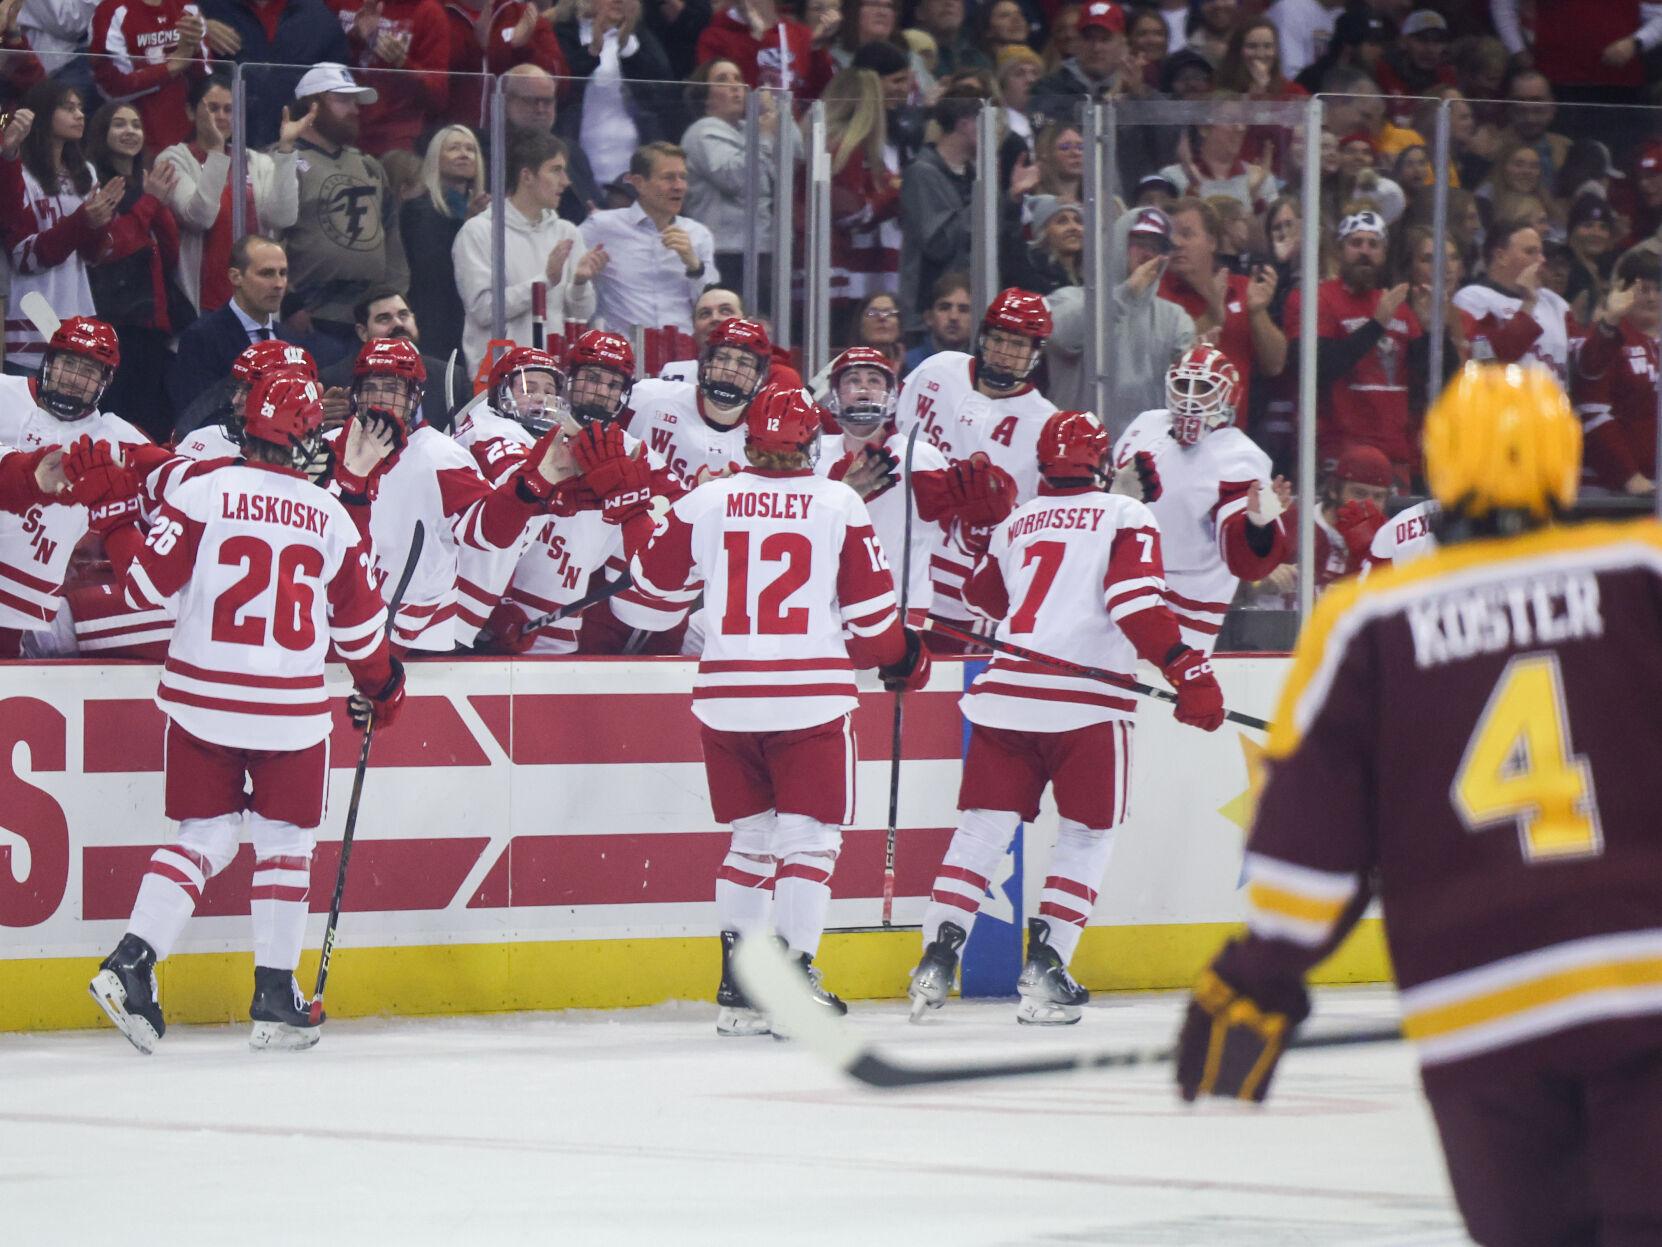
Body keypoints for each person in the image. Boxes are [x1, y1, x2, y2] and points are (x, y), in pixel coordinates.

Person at [1176, 361, 1662, 1244]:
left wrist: (1263, 972)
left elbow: (1308, 851)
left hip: (1478, 1006)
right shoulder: (1642, 569)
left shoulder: (1367, 622)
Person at [87, 372, 404, 1054]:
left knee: (201, 834)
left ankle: (133, 961)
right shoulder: (329, 516)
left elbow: (141, 586)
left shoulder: (203, 489)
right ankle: (273, 994)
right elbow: (362, 639)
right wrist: (385, 692)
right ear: (308, 436)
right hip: (288, 711)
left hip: (201, 699)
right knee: (285, 843)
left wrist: (112, 517)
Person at [628, 384, 932, 1037]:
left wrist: (638, 517)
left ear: (748, 441)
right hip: (808, 698)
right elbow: (876, 629)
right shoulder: (837, 501)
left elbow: (646, 596)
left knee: (751, 838)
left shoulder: (706, 500)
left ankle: (741, 989)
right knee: (810, 840)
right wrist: (907, 655)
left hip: (727, 698)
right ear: (813, 444)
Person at [908, 408, 1224, 1025]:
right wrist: (1186, 667)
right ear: (1103, 464)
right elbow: (1133, 602)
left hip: (1007, 698)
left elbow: (984, 599)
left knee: (981, 831)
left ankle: (936, 956)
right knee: (1085, 837)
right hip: (1086, 704)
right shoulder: (1128, 514)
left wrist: (986, 535)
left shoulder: (1019, 519)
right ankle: (1047, 967)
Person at [326, 337, 570, 651]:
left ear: (415, 396)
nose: (383, 399)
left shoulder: (441, 456)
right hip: (331, 622)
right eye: (374, 387)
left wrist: (527, 488)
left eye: (395, 389)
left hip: (410, 636)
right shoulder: (328, 446)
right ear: (357, 392)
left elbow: (489, 532)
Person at [461, 333, 690, 654]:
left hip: (560, 619)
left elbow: (678, 517)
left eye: (612, 386)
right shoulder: (510, 428)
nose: (601, 392)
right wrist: (494, 608)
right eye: (592, 379)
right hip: (478, 609)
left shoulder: (630, 449)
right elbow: (502, 508)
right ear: (571, 380)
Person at [1110, 345, 1289, 651]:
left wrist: (1256, 526)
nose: (1190, 397)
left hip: (1180, 616)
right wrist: (1113, 494)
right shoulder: (1146, 424)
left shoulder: (1239, 458)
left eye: (1204, 388)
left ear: (1228, 396)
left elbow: (1244, 564)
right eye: (1182, 385)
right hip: (1116, 593)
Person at [0, 317, 155, 656]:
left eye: (89, 372)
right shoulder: (3, 393)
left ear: (105, 382)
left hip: (40, 602)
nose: (73, 380)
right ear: (49, 362)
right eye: (68, 364)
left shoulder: (119, 441)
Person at [813, 346, 968, 625]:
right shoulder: (815, 455)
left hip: (899, 607)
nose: (864, 388)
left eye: (874, 380)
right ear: (836, 394)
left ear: (892, 394)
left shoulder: (919, 457)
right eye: (852, 381)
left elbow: (956, 532)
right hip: (824, 605)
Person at [280, 63, 410, 367]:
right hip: (313, 315)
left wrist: (395, 302)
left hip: (370, 316)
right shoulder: (282, 160)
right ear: (312, 106)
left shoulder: (369, 166)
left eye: (355, 102)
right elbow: (269, 236)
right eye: (343, 101)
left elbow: (392, 240)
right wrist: (289, 303)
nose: (354, 110)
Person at [1281, 208, 1424, 484]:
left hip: (1395, 457)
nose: (1365, 251)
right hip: (1338, 453)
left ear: (1384, 252)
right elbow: (1315, 368)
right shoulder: (1316, 298)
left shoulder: (1399, 306)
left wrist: (1430, 331)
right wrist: (1376, 325)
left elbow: (1425, 381)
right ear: (1339, 250)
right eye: (1355, 243)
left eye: (1373, 244)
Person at [452, 129, 603, 376]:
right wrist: (543, 283)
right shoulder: (479, 232)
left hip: (555, 375)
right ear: (527, 176)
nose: (565, 181)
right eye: (555, 170)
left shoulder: (567, 232)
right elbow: (484, 310)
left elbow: (581, 315)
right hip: (498, 378)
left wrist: (579, 283)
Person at [83, 101, 188, 443]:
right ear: (102, 133)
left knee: (154, 425)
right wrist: (151, 202)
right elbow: (112, 247)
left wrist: (153, 200)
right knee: (119, 421)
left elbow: (170, 252)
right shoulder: (93, 181)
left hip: (152, 327)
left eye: (136, 124)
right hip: (116, 324)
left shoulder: (146, 185)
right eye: (119, 124)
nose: (130, 131)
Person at [156, 72, 302, 315]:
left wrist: (286, 150)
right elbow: (200, 218)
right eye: (213, 108)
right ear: (191, 112)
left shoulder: (256, 161)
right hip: (202, 301)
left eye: (229, 109)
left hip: (256, 301)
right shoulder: (175, 159)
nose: (222, 117)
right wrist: (216, 152)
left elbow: (282, 218)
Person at [2, 80, 119, 372]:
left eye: (80, 108)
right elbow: (25, 257)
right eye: (68, 108)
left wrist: (98, 226)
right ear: (42, 113)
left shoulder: (85, 173)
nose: (80, 115)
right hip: (29, 317)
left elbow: (93, 256)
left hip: (77, 312)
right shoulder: (21, 172)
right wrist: (82, 221)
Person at [1158, 196, 1285, 429]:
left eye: (1186, 234)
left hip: (1232, 438)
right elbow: (1165, 362)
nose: (1175, 243)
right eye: (1170, 236)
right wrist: (1213, 315)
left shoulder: (1242, 287)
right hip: (1175, 437)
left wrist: (1257, 313)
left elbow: (1275, 364)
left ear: (1212, 241)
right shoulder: (1159, 294)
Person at [681, 59, 795, 312]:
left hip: (762, 246)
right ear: (705, 96)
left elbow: (796, 154)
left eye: (738, 79)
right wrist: (764, 137)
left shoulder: (750, 129)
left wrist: (778, 112)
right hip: (726, 251)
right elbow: (737, 180)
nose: (736, 86)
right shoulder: (703, 132)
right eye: (723, 80)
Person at [579, 141, 717, 335]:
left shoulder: (698, 234)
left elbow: (712, 307)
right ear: (639, 183)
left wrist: (694, 266)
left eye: (683, 177)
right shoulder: (601, 227)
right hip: (620, 355)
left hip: (680, 355)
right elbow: (569, 285)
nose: (679, 186)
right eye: (669, 178)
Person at [624, 315, 773, 484]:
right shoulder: (649, 398)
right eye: (722, 358)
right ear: (706, 362)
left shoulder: (769, 436)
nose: (730, 371)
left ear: (759, 375)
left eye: (744, 364)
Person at [166, 233, 288, 425]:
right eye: (267, 273)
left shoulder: (291, 339)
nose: (279, 284)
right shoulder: (202, 338)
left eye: (283, 273)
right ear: (235, 277)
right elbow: (195, 416)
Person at [195, 0, 351, 147]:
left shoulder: (319, 18)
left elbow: (337, 92)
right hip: (227, 147)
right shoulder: (209, 7)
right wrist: (200, 29)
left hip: (298, 149)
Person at [313, 290, 468, 435]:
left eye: (403, 315)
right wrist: (318, 426)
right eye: (384, 319)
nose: (398, 324)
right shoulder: (335, 379)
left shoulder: (451, 376)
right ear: (363, 332)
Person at [820, 65, 900, 337]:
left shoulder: (829, 142)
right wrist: (893, 192)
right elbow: (851, 213)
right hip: (844, 275)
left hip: (838, 273)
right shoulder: (845, 146)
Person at [897, 84, 982, 338]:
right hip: (926, 318)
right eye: (989, 125)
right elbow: (938, 244)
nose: (997, 134)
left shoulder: (973, 176)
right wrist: (982, 198)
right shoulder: (921, 173)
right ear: (966, 124)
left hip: (969, 312)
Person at [1573, 250, 1659, 496]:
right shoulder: (1604, 336)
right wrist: (1629, 477)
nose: (1651, 297)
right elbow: (1591, 409)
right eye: (1642, 289)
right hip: (1608, 490)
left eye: (1658, 289)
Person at [1455, 219, 1573, 384]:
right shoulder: (1471, 298)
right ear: (1501, 256)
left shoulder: (1555, 303)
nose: (1542, 260)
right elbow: (1486, 361)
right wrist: (1528, 304)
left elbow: (1585, 368)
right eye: (1530, 252)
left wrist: (1607, 324)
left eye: (1541, 252)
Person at [327, 0, 451, 156]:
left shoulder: (429, 12)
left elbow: (438, 97)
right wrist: (355, 39)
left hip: (395, 143)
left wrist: (403, 64)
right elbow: (316, 64)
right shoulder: (341, 3)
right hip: (339, 133)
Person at [90, 0, 211, 154]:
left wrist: (195, 49)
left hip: (185, 135)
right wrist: (171, 66)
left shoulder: (187, 8)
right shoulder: (111, 10)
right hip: (133, 140)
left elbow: (207, 77)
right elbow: (110, 87)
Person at [901, 271, 973, 374]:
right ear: (928, 317)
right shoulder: (906, 365)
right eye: (944, 308)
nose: (953, 317)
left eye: (963, 310)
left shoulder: (983, 366)